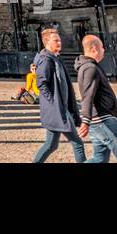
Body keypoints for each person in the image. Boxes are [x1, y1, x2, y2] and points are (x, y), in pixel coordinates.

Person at [32, 27, 87, 163]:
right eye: (56, 40)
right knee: (78, 144)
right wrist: (53, 103)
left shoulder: (56, 58)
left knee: (51, 145)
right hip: (58, 110)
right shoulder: (46, 60)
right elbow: (41, 84)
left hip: (61, 108)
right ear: (47, 42)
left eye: (59, 40)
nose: (59, 42)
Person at [75, 35, 117, 163]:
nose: (104, 50)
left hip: (99, 120)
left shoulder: (89, 66)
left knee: (99, 160)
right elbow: (87, 95)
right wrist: (85, 120)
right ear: (94, 48)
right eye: (101, 47)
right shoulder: (90, 68)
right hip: (102, 120)